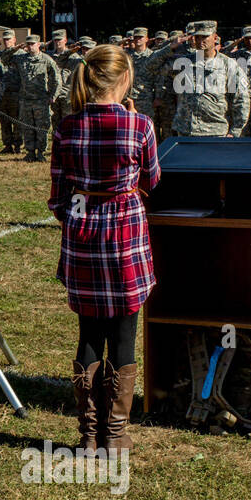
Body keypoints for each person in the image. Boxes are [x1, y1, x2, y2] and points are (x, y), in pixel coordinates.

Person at [48, 44, 159, 453]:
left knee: (89, 334)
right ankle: (114, 435)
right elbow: (153, 178)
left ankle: (89, 435)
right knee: (125, 333)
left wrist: (80, 216)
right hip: (125, 237)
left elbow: (58, 196)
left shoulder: (66, 127)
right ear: (124, 79)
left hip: (82, 237)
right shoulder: (139, 125)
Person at [13, 33, 61, 161]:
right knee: (27, 127)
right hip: (25, 99)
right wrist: (16, 48)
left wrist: (53, 95)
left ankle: (40, 152)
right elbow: (5, 59)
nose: (30, 46)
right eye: (28, 44)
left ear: (39, 44)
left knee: (42, 128)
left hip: (41, 100)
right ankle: (30, 152)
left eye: (32, 44)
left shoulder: (46, 59)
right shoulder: (21, 59)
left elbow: (56, 79)